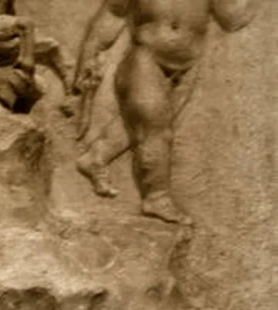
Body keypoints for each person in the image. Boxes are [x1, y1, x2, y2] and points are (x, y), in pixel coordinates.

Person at [72, 0, 262, 224]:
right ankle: (156, 197)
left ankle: (96, 156)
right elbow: (112, 15)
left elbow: (231, 19)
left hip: (188, 70)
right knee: (156, 130)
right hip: (145, 60)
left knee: (149, 125)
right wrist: (89, 55)